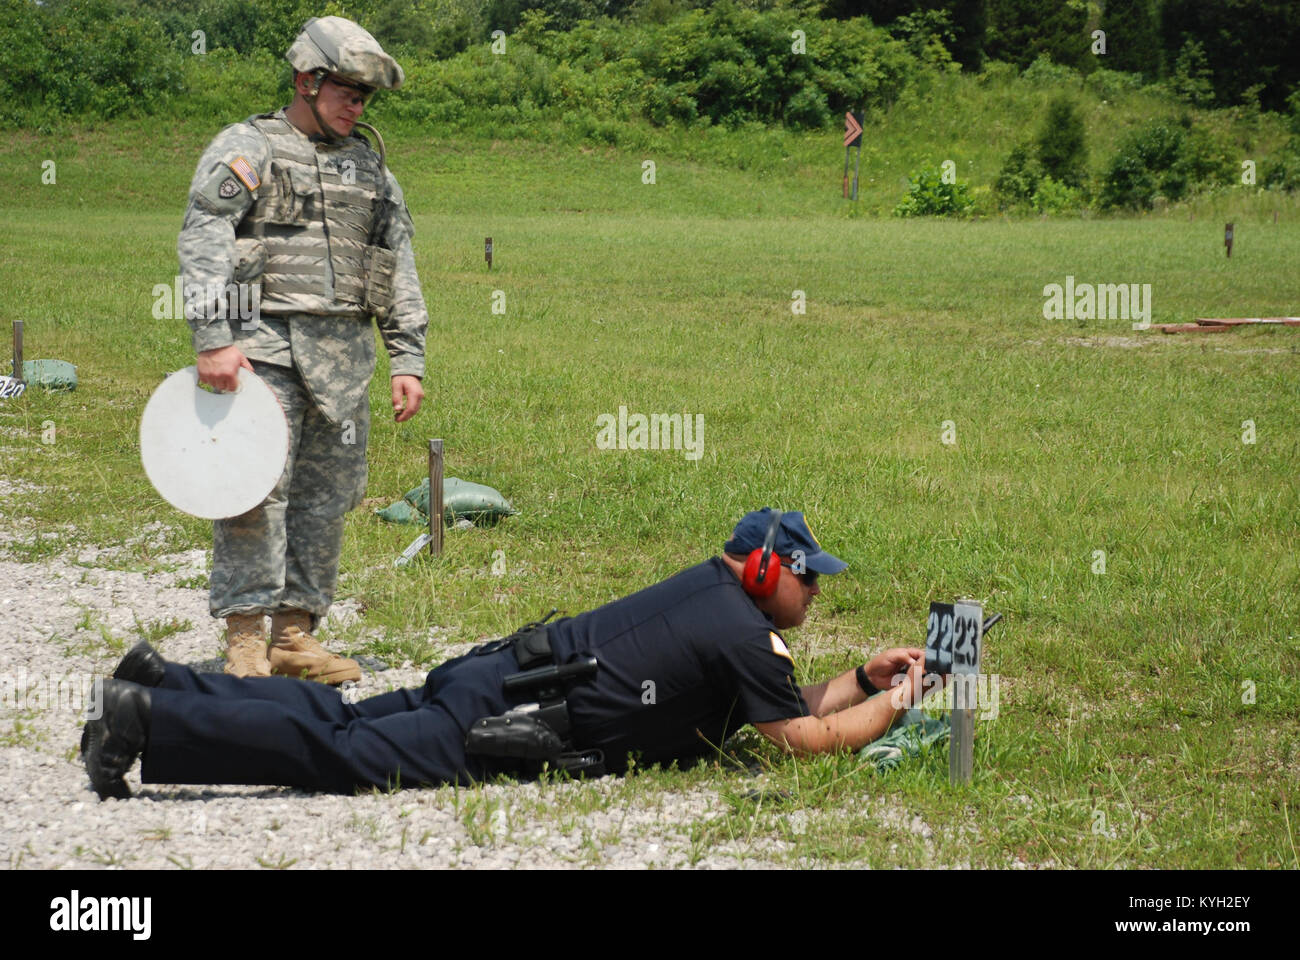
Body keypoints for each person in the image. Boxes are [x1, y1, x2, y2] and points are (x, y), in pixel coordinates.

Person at [81, 509, 930, 799]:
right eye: (809, 577)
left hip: (493, 678)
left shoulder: (717, 600)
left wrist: (860, 679)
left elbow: (779, 702)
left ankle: (163, 683)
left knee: (340, 715)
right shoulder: (743, 631)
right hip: (507, 716)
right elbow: (795, 739)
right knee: (337, 754)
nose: (817, 591)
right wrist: (895, 707)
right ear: (768, 569)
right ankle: (147, 722)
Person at [177, 16, 427, 684]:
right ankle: (243, 641)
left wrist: (407, 357)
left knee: (325, 499)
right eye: (346, 90)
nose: (357, 105)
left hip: (344, 365)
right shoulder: (249, 146)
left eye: (363, 96)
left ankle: (295, 636)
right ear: (305, 80)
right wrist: (215, 339)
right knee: (255, 493)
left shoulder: (371, 169)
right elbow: (206, 236)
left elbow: (395, 261)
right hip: (263, 351)